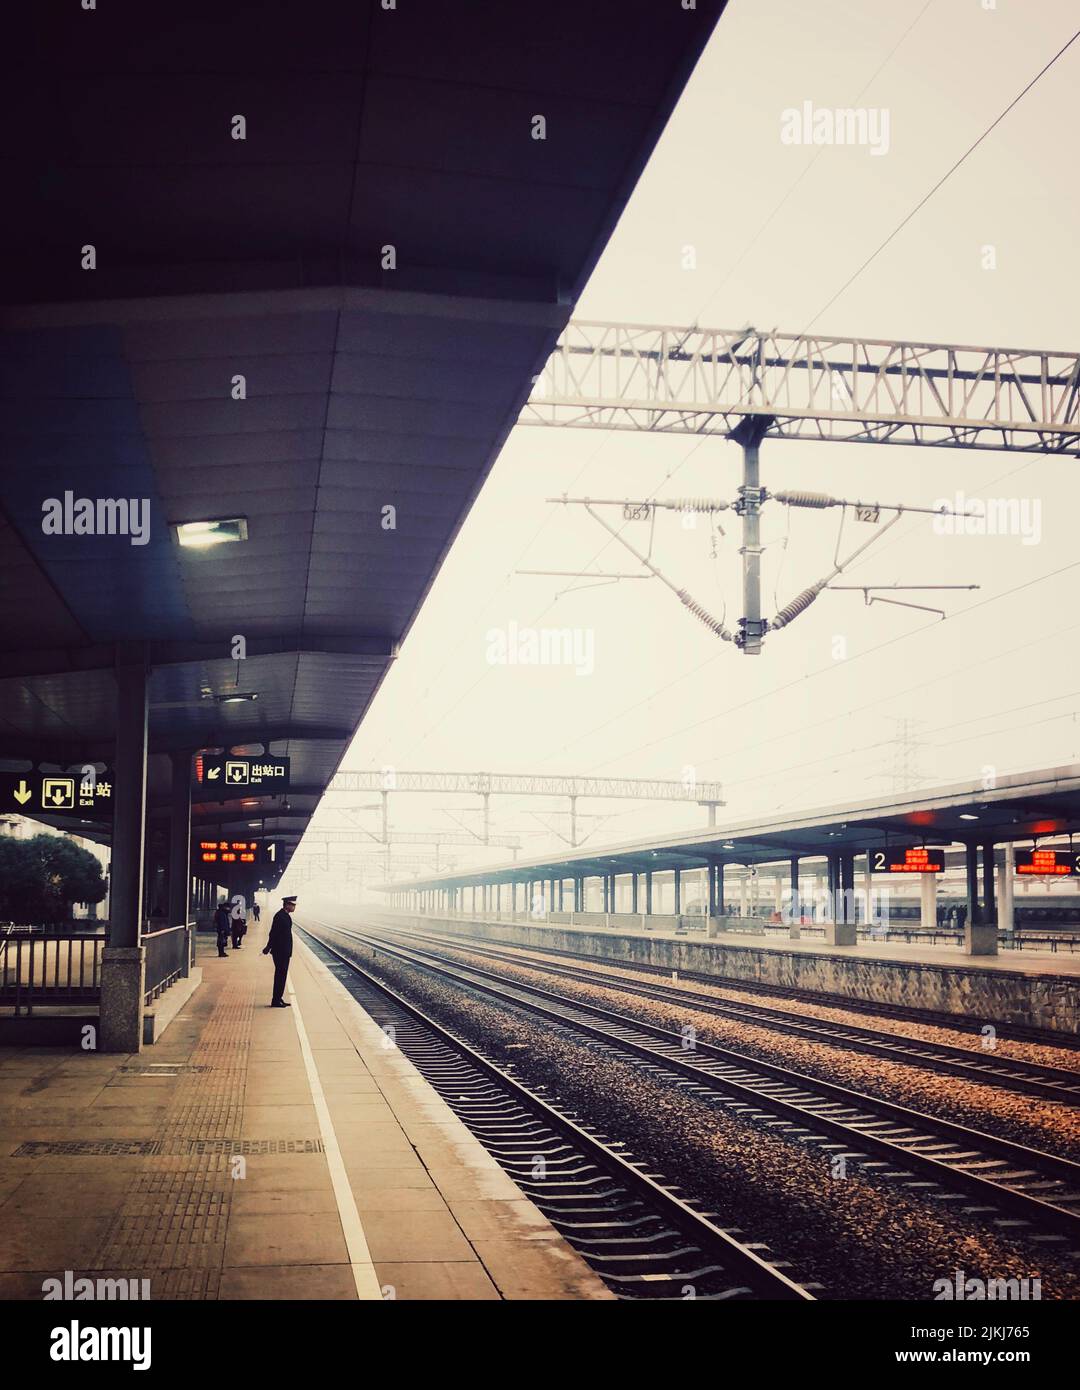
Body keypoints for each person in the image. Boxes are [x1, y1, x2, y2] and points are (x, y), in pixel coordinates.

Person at [263, 895, 296, 1007]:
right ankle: (275, 1000)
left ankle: (278, 998)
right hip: (280, 951)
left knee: (282, 975)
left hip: (284, 951)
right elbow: (274, 933)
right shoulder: (280, 916)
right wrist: (268, 947)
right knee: (280, 975)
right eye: (293, 905)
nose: (294, 907)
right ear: (287, 905)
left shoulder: (285, 916)